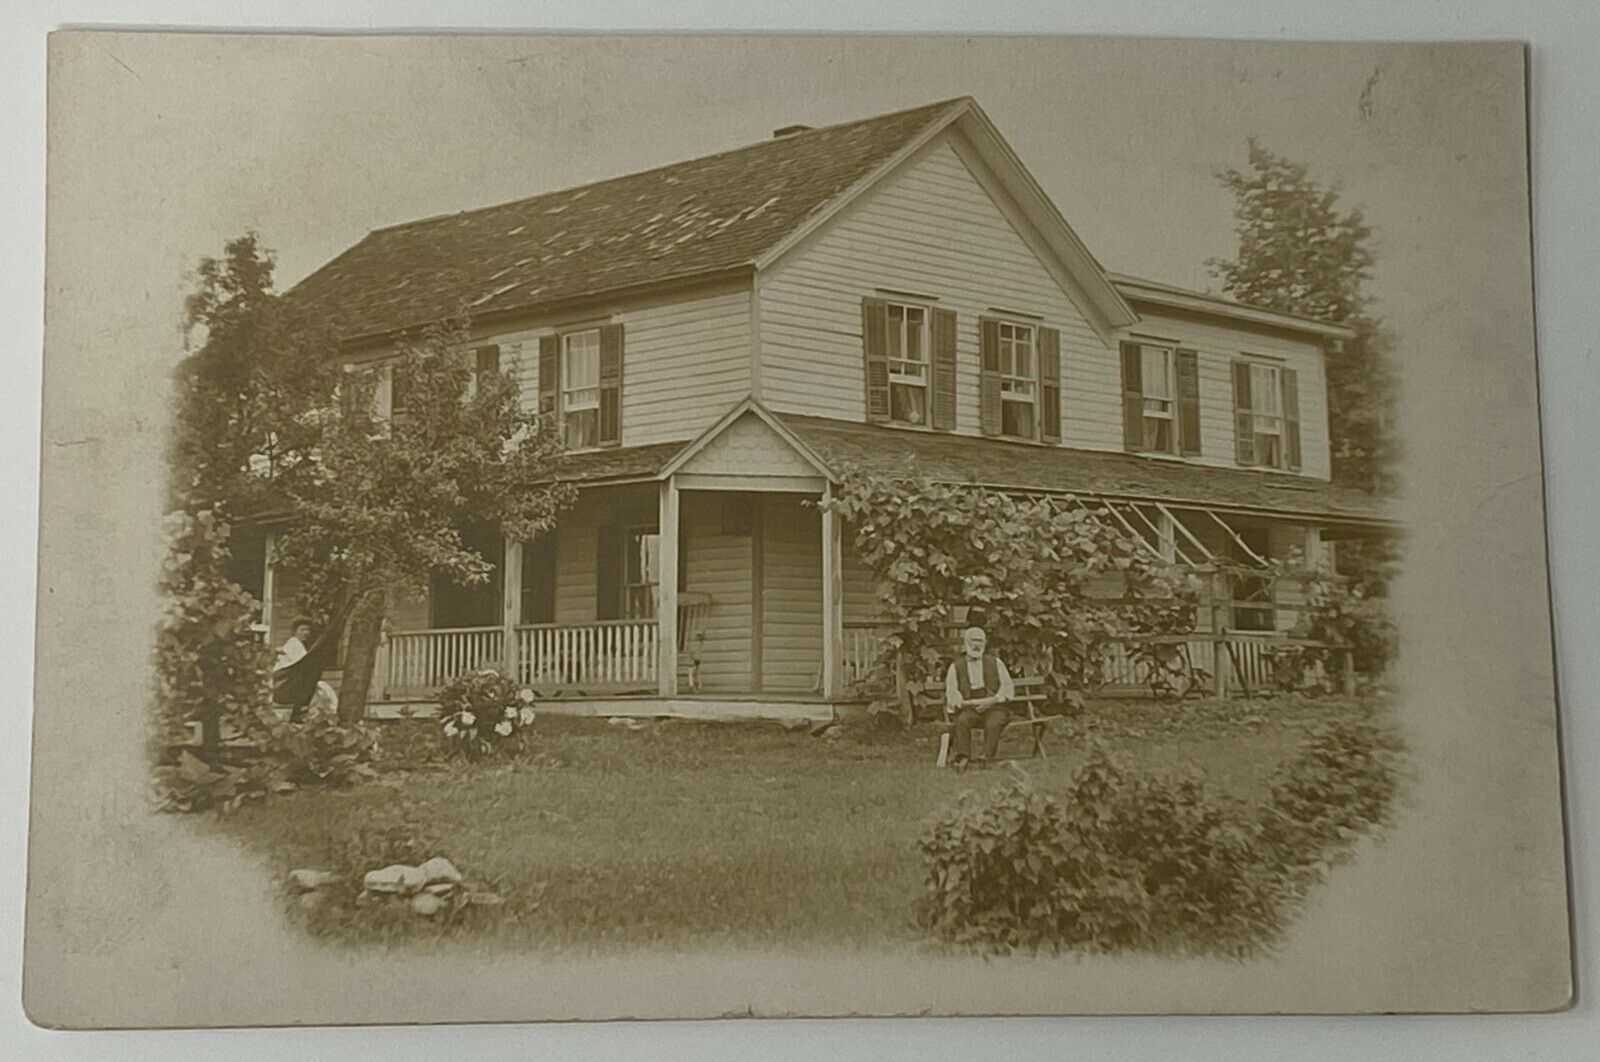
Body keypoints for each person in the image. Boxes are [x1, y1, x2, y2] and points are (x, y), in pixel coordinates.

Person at [943, 625, 1016, 768]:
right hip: (970, 706)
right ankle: (963, 758)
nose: (976, 645)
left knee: (993, 723)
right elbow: (952, 692)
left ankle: (986, 758)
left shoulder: (996, 662)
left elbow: (1008, 689)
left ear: (985, 643)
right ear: (966, 643)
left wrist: (992, 700)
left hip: (995, 707)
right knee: (962, 720)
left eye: (980, 641)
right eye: (973, 641)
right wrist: (964, 703)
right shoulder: (956, 666)